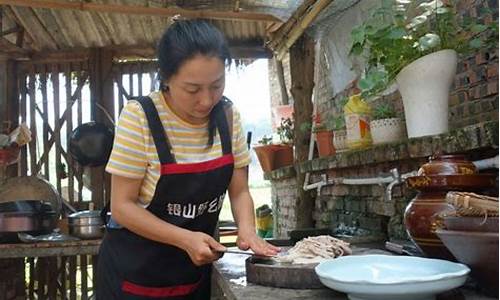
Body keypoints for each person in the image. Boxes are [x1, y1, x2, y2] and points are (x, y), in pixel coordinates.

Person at [96, 19, 280, 299]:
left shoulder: (228, 117)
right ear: (167, 79)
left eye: (217, 85)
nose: (207, 100)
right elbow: (122, 207)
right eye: (192, 90)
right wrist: (185, 239)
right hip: (134, 279)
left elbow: (240, 190)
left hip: (193, 276)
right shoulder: (140, 117)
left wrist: (247, 230)